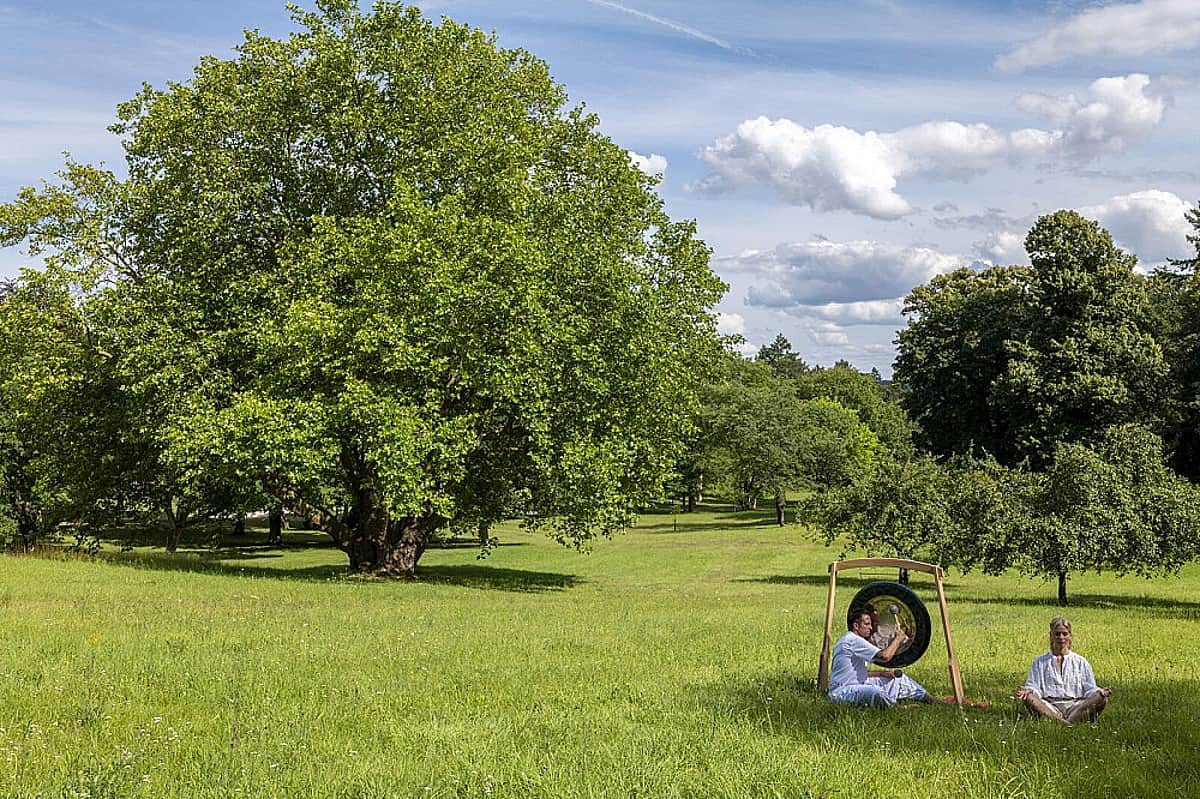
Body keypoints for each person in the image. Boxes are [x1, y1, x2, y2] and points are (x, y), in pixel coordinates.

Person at [828, 607, 938, 707]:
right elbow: (885, 656)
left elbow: (857, 673)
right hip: (842, 691)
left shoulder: (854, 640)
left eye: (871, 624)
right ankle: (896, 708)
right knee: (875, 691)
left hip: (859, 683)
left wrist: (882, 674)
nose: (871, 628)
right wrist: (898, 639)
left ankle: (932, 700)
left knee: (897, 678)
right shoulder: (852, 640)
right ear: (856, 626)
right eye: (867, 624)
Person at [1016, 617, 1112, 724]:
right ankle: (1064, 723)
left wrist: (1100, 692)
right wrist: (1028, 691)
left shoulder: (1080, 661)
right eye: (1057, 634)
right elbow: (1033, 686)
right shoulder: (1040, 662)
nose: (1061, 637)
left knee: (1101, 698)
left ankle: (1064, 722)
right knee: (1029, 697)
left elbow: (1089, 688)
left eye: (1064, 634)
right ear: (1051, 636)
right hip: (1049, 706)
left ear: (1070, 636)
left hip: (1075, 707)